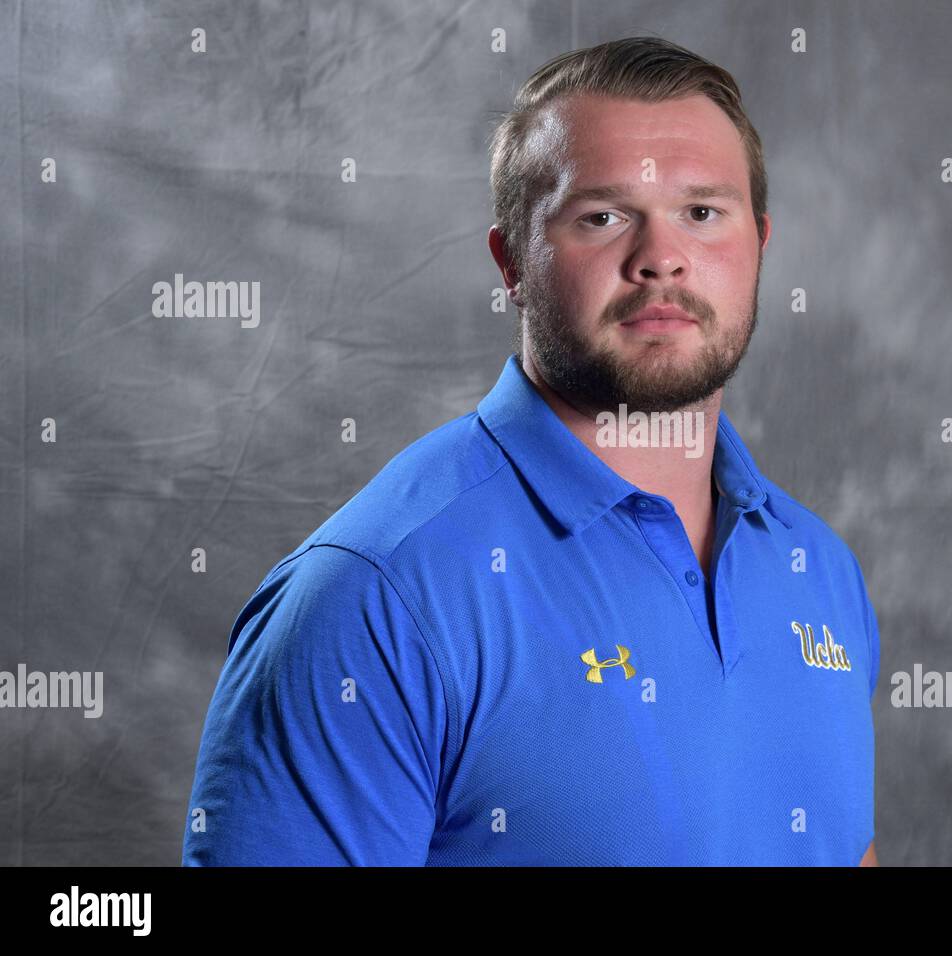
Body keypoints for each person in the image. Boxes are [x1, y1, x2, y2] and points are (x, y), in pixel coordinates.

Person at [183, 35, 881, 866]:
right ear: (512, 261)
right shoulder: (372, 599)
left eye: (702, 212)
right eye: (602, 216)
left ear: (759, 243)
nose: (661, 257)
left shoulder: (818, 569)